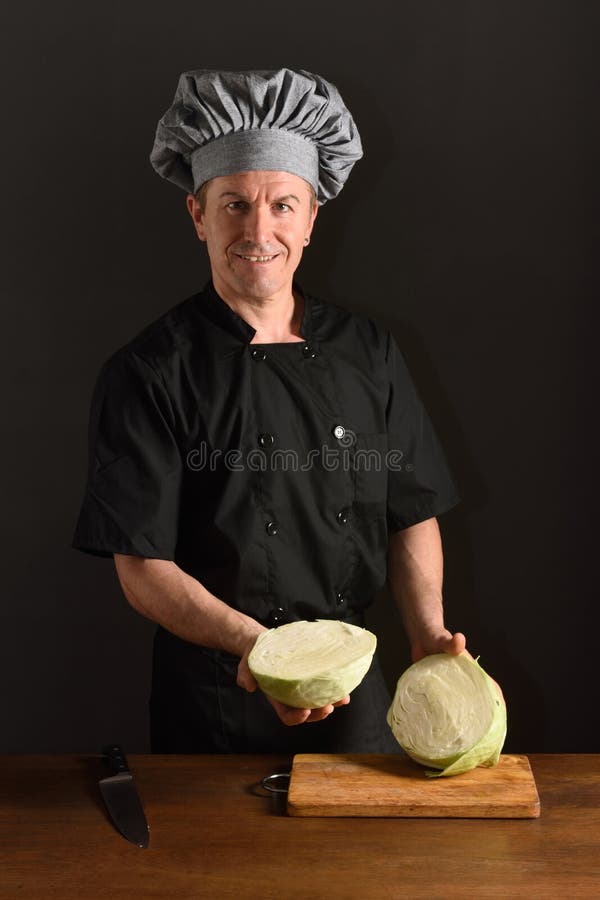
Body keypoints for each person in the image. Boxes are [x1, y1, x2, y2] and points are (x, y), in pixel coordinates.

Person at [73, 68, 466, 754]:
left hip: (356, 688)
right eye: (234, 204)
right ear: (198, 215)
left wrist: (428, 632)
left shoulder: (367, 351)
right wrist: (260, 650)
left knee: (362, 863)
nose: (260, 229)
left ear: (313, 217)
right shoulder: (148, 371)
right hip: (218, 694)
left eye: (283, 204)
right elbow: (141, 565)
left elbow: (411, 510)